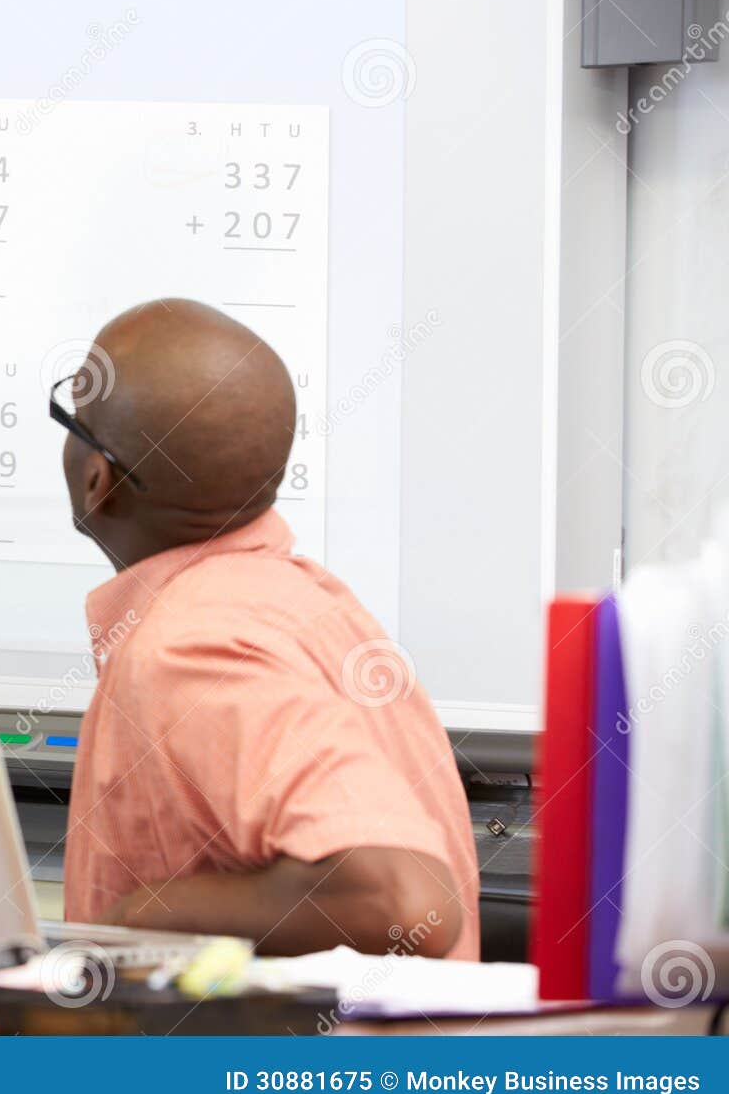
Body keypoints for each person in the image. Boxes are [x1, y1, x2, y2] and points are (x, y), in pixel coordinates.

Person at [56, 299, 479, 959]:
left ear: (96, 479)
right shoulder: (312, 604)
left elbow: (401, 899)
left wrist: (138, 917)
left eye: (71, 418)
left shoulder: (189, 650)